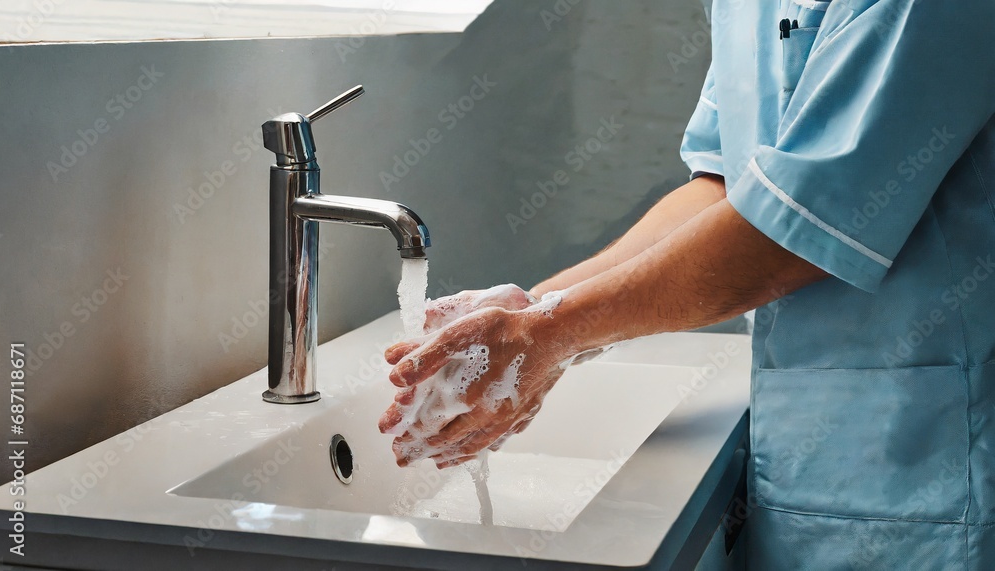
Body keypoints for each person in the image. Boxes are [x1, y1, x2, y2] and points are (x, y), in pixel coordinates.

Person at [379, 0, 995, 567]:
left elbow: (801, 226)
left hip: (935, 456)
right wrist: (529, 310)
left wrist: (549, 334)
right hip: (808, 455)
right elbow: (725, 187)